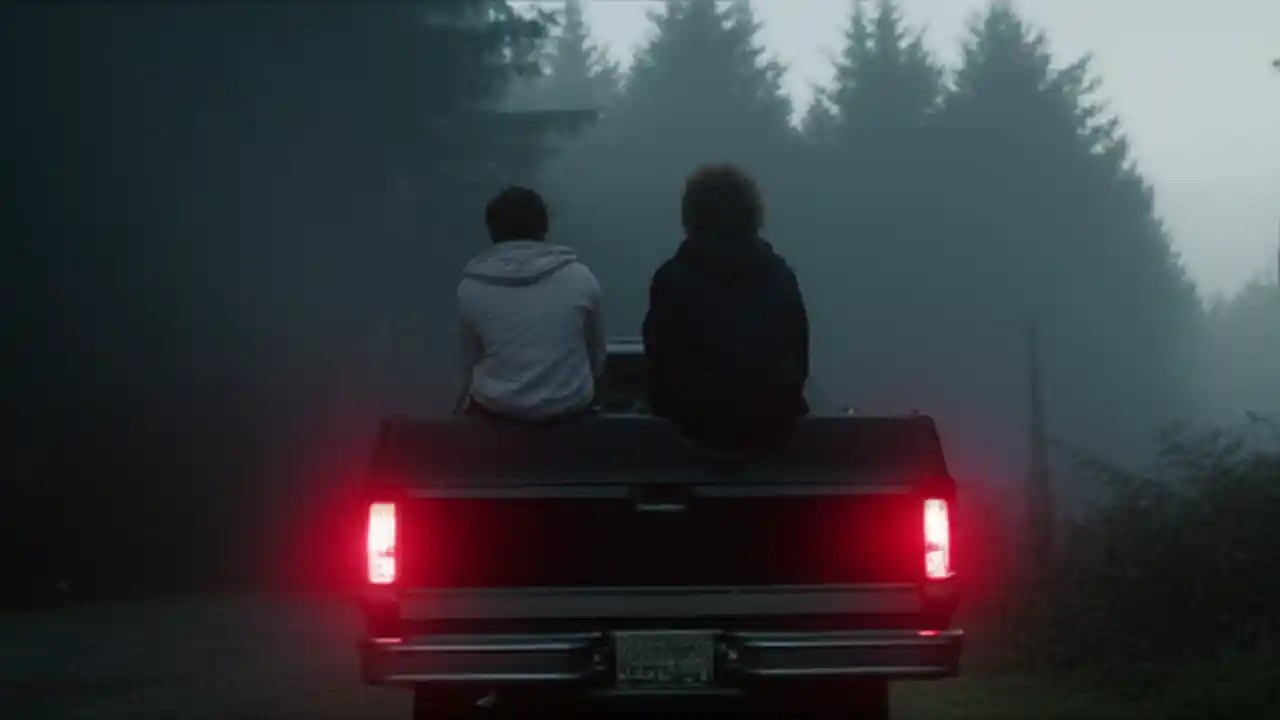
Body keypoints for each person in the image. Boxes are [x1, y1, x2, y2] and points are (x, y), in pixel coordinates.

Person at [643, 164, 810, 453]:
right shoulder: (780, 275)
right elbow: (799, 354)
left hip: (692, 425)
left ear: (691, 213)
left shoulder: (671, 278)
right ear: (753, 213)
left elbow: (657, 360)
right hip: (771, 422)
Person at [455, 186, 605, 422]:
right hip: (570, 414)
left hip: (495, 413)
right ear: (544, 226)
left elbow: (469, 362)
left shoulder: (470, 287)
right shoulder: (581, 278)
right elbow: (596, 357)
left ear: (492, 232)